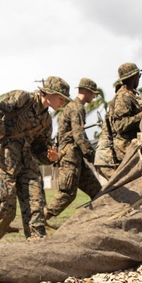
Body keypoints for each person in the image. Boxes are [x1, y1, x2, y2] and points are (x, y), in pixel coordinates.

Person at [0, 77, 63, 247]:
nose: (63, 102)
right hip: (4, 160)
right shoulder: (23, 98)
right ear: (49, 93)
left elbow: (39, 146)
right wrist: (0, 132)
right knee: (6, 207)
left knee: (36, 204)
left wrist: (49, 157)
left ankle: (37, 244)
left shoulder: (46, 120)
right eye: (61, 97)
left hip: (26, 163)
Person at [45, 78, 102, 224]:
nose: (94, 97)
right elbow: (79, 135)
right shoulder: (77, 108)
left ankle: (96, 222)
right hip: (69, 157)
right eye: (93, 93)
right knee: (67, 194)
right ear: (87, 91)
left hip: (75, 158)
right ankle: (39, 220)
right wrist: (92, 155)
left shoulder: (72, 107)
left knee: (97, 192)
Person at [107, 62, 142, 164]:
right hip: (126, 150)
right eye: (138, 76)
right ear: (133, 77)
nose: (139, 79)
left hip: (130, 149)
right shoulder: (123, 96)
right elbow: (120, 124)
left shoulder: (128, 95)